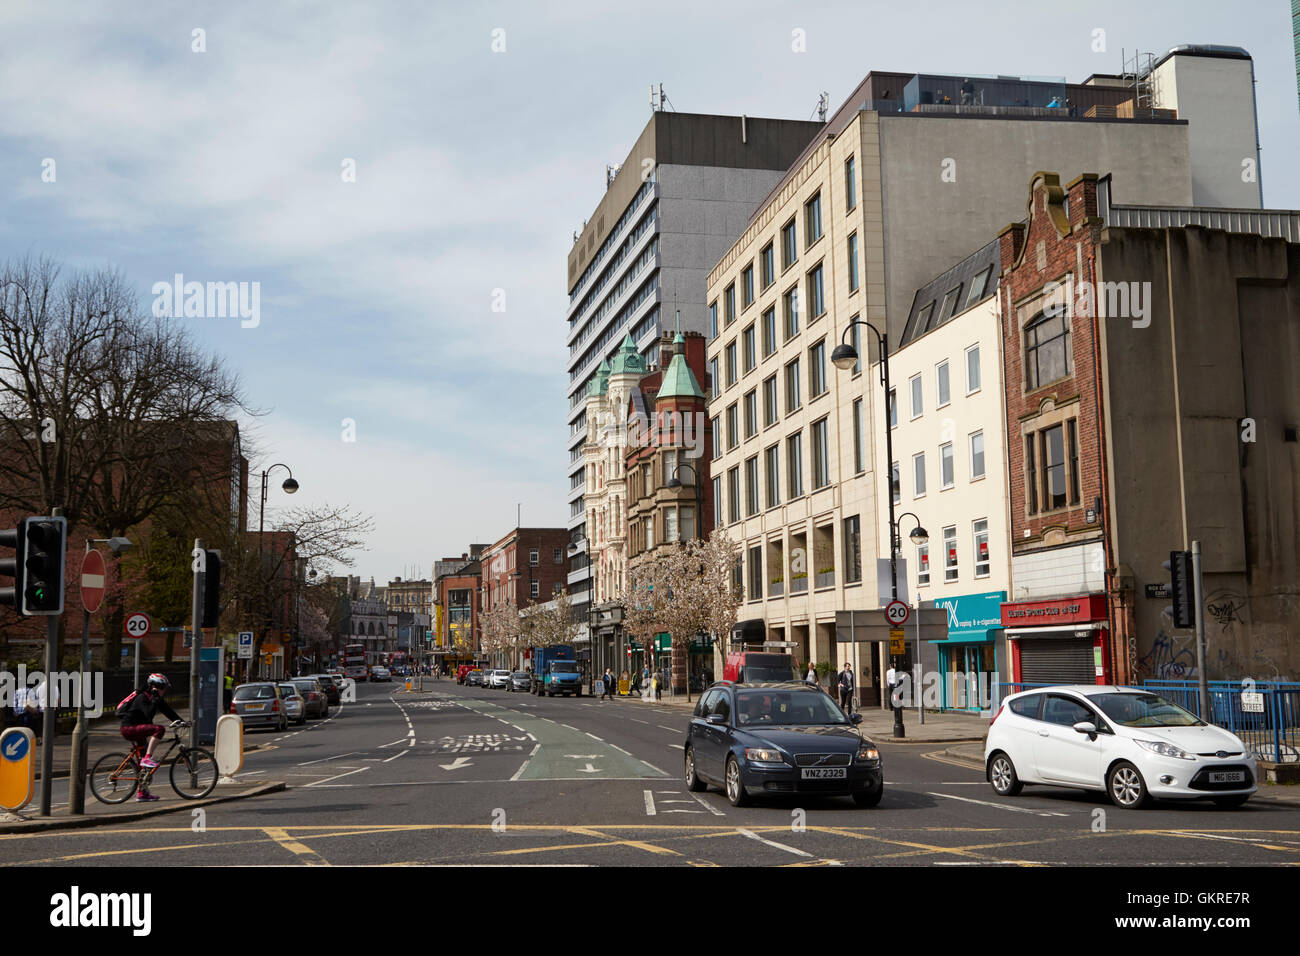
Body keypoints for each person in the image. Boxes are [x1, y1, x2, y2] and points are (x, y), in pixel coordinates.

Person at [118, 673, 183, 801]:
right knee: (159, 729)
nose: (164, 690)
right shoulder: (143, 697)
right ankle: (147, 758)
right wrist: (154, 699)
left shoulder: (154, 698)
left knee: (144, 768)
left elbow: (168, 711)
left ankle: (142, 794)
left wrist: (182, 722)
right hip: (129, 729)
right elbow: (147, 713)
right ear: (155, 686)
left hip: (138, 730)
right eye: (162, 687)